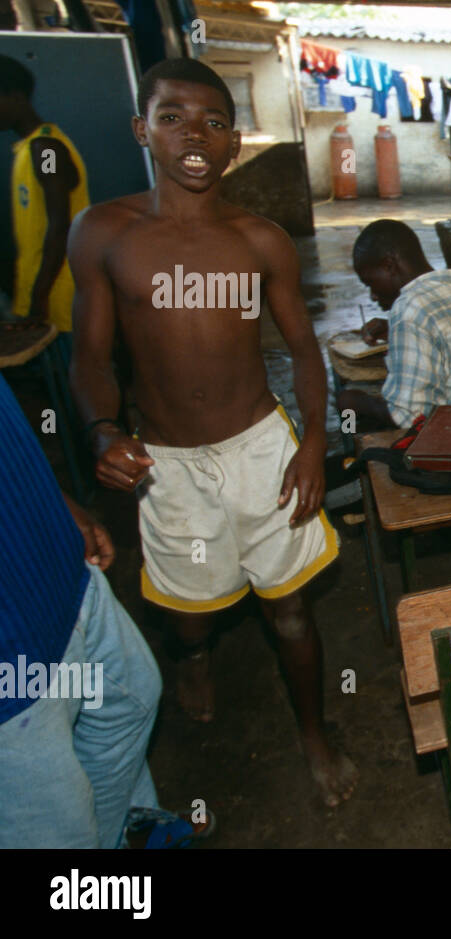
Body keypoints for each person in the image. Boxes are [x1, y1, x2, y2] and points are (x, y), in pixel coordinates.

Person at [67, 59, 356, 807]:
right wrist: (102, 431)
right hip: (165, 461)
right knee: (189, 610)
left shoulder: (260, 240)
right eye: (172, 118)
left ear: (234, 144)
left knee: (289, 607)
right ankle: (193, 656)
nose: (194, 135)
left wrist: (316, 438)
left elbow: (302, 348)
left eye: (214, 122)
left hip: (261, 445)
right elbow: (90, 359)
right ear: (142, 130)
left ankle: (313, 732)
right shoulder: (103, 231)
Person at [0, 374, 211, 848]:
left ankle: (123, 836)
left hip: (54, 567)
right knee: (57, 829)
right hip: (9, 658)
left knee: (129, 702)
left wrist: (48, 497)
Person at [338, 219, 451, 430]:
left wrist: (355, 402)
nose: (371, 296)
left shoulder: (410, 307)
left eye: (370, 282)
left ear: (389, 265)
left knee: (347, 407)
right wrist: (396, 330)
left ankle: (353, 455)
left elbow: (409, 418)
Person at [0, 55, 90, 362]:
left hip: (58, 299)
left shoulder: (46, 150)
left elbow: (60, 225)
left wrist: (40, 299)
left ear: (16, 96)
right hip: (41, 295)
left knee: (74, 380)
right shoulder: (28, 150)